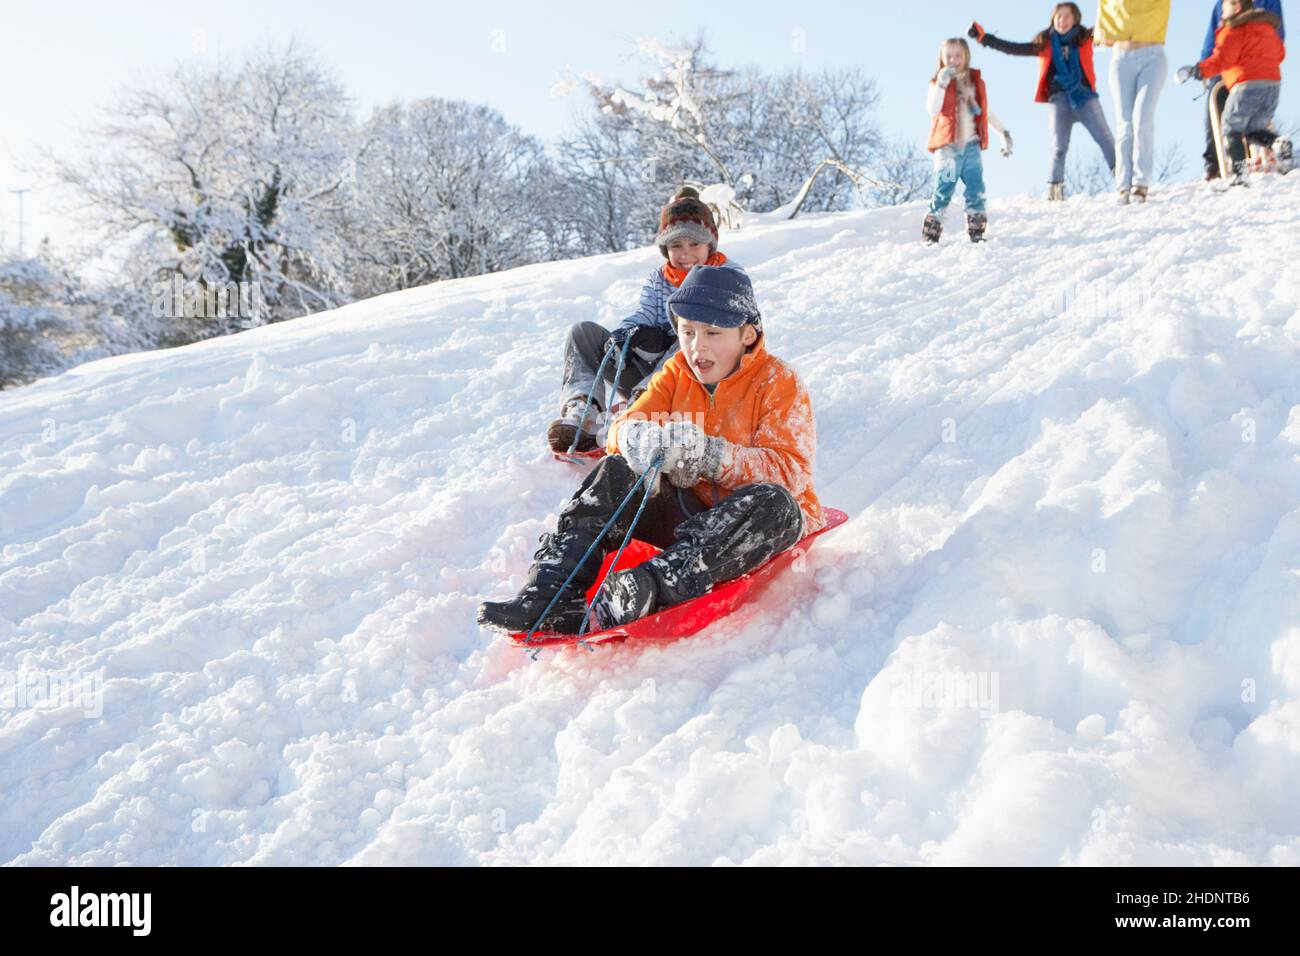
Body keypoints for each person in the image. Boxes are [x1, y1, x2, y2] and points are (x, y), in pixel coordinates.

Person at [480, 265, 823, 635]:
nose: (697, 346)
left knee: (778, 505)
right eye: (687, 332)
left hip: (743, 524)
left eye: (713, 333)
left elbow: (791, 470)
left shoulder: (777, 381)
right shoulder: (677, 371)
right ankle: (551, 591)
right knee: (615, 471)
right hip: (686, 507)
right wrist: (636, 438)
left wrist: (709, 455)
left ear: (748, 335)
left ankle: (647, 589)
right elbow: (624, 425)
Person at [546, 187, 745, 454]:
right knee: (582, 332)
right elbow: (646, 312)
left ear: (710, 244)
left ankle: (641, 411)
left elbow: (727, 330)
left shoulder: (727, 275)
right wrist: (629, 333)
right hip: (655, 374)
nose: (685, 253)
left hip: (701, 380)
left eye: (694, 244)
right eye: (676, 245)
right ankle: (583, 409)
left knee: (690, 338)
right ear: (665, 249)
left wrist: (674, 334)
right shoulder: (659, 278)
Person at [970, 3, 1113, 202]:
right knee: (1058, 146)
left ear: (1075, 20)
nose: (1062, 20)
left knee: (1104, 137)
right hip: (1059, 99)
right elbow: (1014, 48)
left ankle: (1123, 178)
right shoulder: (1044, 43)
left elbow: (1111, 35)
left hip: (1085, 97)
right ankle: (1055, 190)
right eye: (1059, 16)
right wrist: (985, 39)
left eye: (1067, 16)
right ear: (1053, 19)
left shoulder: (1086, 38)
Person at [1178, 0, 1291, 184]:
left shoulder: (1232, 30)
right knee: (1254, 129)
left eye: (1225, 8)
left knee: (1231, 127)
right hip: (1272, 86)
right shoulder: (1267, 27)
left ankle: (1239, 175)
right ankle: (1278, 143)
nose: (1222, 12)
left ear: (1236, 8)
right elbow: (1280, 52)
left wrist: (1198, 70)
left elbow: (1221, 59)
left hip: (1246, 86)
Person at [923, 36, 1014, 243]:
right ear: (942, 59)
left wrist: (1003, 132)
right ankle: (931, 234)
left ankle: (977, 233)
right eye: (949, 56)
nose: (953, 60)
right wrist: (942, 84)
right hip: (947, 148)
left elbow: (985, 112)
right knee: (943, 188)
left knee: (976, 189)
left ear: (966, 57)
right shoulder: (938, 83)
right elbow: (932, 109)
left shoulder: (975, 83)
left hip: (971, 147)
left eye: (958, 56)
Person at [1094, 0, 1171, 203]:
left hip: (1152, 57)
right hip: (1121, 59)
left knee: (1142, 117)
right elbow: (1103, 36)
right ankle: (1123, 186)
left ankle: (1140, 183)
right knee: (1125, 122)